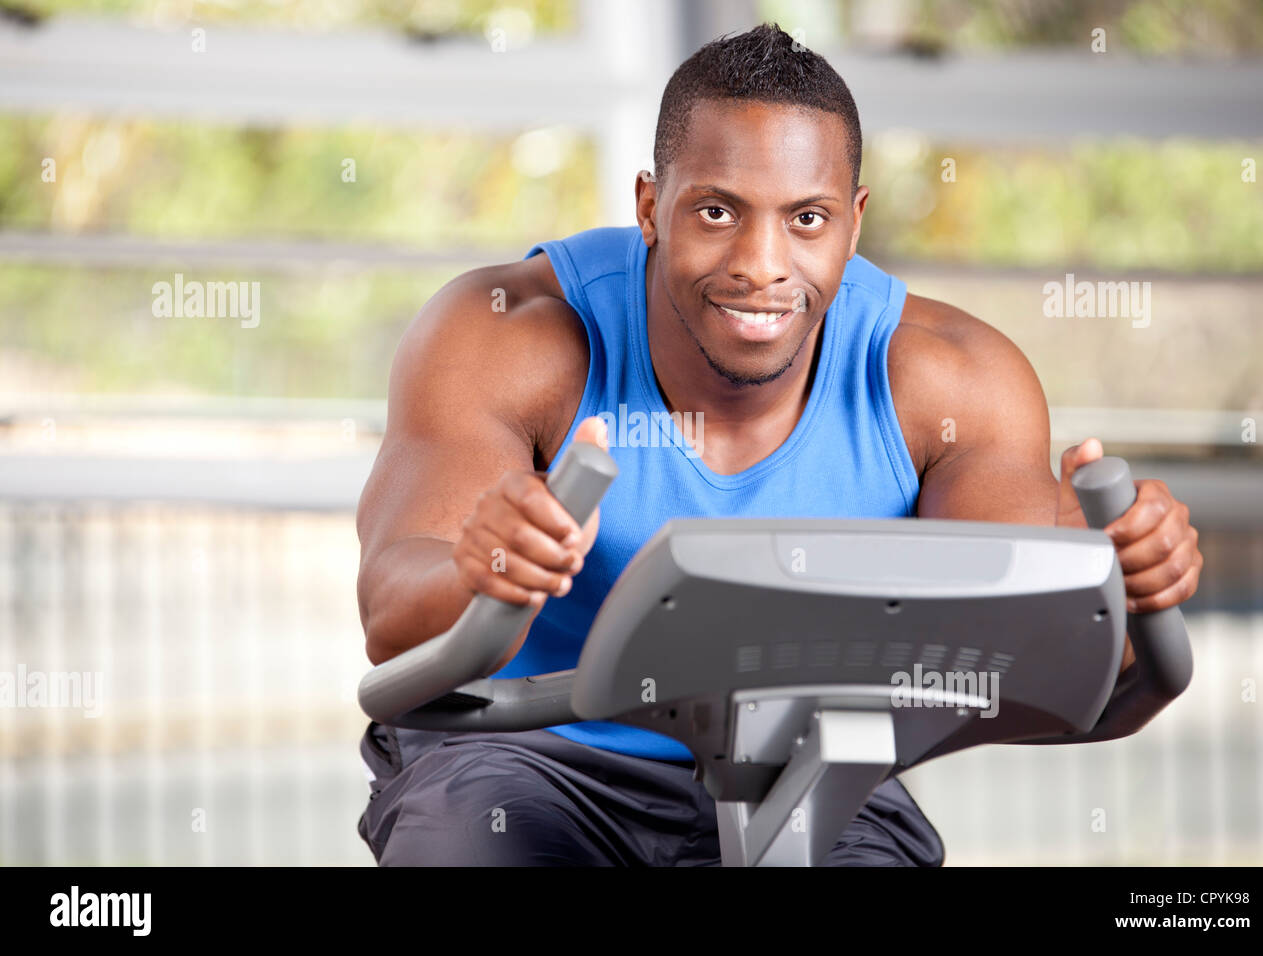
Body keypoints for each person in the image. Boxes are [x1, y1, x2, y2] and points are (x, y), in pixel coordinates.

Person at [353, 23, 1203, 866]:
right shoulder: (506, 336)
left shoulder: (952, 383)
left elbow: (1009, 651)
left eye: (807, 218)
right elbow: (392, 618)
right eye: (717, 212)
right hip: (526, 756)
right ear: (651, 206)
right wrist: (480, 570)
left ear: (854, 221)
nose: (762, 265)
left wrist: (1125, 590)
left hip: (812, 766)